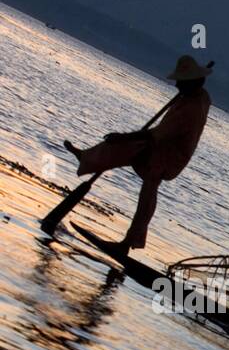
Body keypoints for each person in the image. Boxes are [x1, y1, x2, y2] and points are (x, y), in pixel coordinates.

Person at [63, 55, 213, 256]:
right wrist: (191, 88)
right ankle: (89, 157)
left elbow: (155, 134)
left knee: (143, 181)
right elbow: (198, 92)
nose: (176, 85)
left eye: (181, 82)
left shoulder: (191, 109)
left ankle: (126, 244)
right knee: (126, 148)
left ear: (191, 83)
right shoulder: (199, 96)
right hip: (162, 147)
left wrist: (122, 137)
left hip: (168, 156)